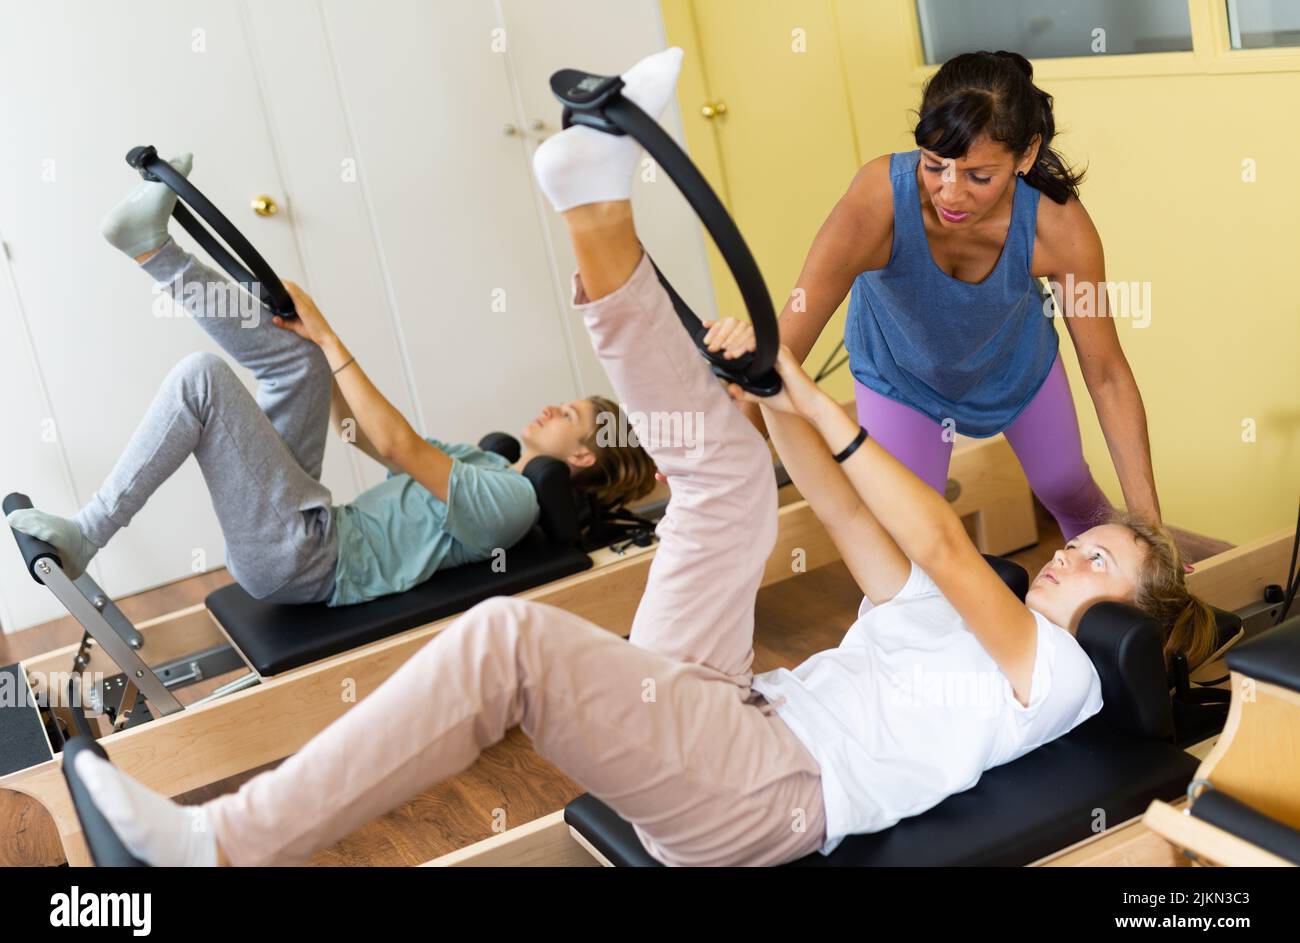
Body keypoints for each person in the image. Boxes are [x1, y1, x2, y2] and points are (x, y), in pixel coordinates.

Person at [68, 49, 1219, 868]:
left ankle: (220, 844)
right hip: (736, 710)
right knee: (725, 490)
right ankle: (594, 213)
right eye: (1090, 544)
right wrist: (775, 400)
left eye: (1099, 561)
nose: (1071, 555)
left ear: (1131, 615)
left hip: (770, 794)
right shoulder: (968, 622)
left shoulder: (1054, 673)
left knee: (510, 639)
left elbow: (936, 534)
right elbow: (869, 529)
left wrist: (829, 418)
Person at [6, 155, 655, 606]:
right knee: (297, 362)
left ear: (581, 454)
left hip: (308, 560)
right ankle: (153, 248)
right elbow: (362, 436)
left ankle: (86, 534)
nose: (550, 407)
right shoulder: (490, 463)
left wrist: (331, 336)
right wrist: (316, 338)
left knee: (202, 379)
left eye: (568, 413)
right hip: (310, 530)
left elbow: (400, 449)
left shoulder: (516, 505)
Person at [764, 50, 1227, 563]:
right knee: (906, 532)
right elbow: (785, 344)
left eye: (979, 176)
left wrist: (1149, 536)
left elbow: (1108, 375)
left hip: (1013, 365)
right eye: (935, 164)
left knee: (1065, 486)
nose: (949, 191)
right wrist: (722, 437)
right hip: (900, 374)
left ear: (1025, 156)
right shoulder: (879, 199)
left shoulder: (1058, 227)